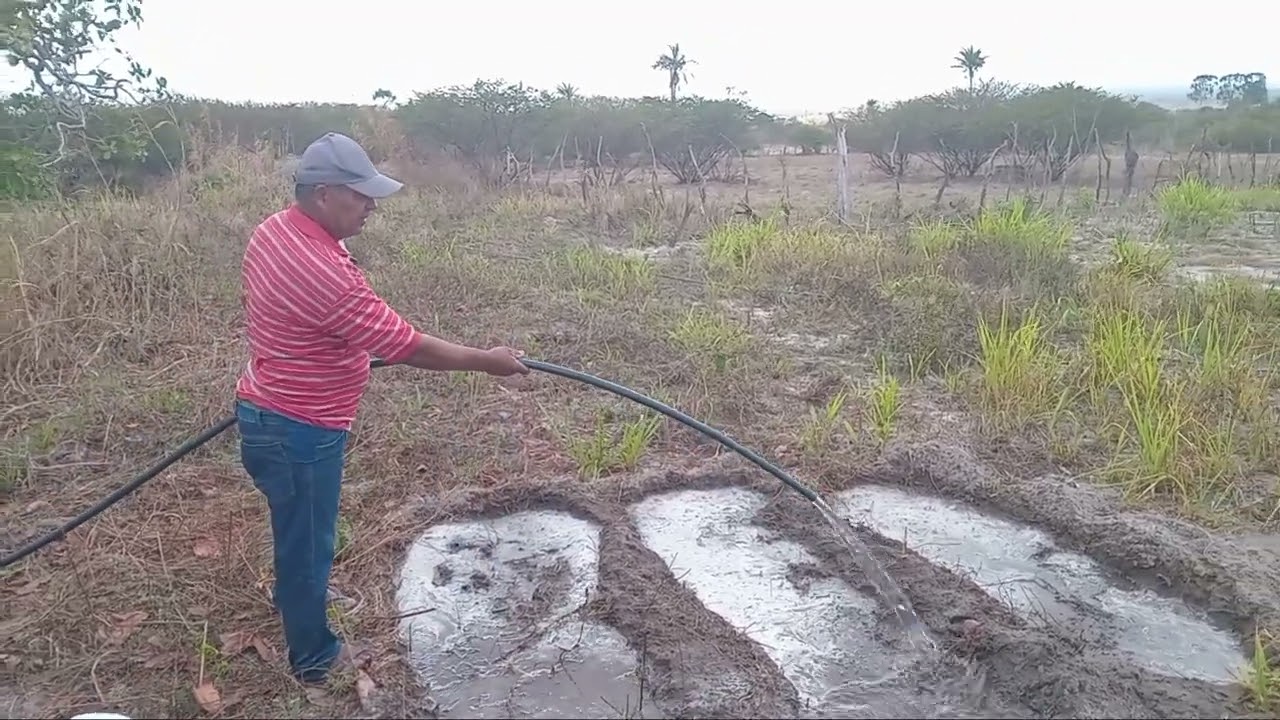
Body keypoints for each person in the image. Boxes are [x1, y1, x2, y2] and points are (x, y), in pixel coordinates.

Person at [234, 132, 530, 684]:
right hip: (299, 429)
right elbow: (405, 344)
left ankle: (299, 595)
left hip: (270, 411)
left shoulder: (274, 230)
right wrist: (487, 361)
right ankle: (315, 657)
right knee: (310, 540)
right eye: (361, 195)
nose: (372, 206)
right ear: (323, 195)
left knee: (297, 529)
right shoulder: (321, 271)